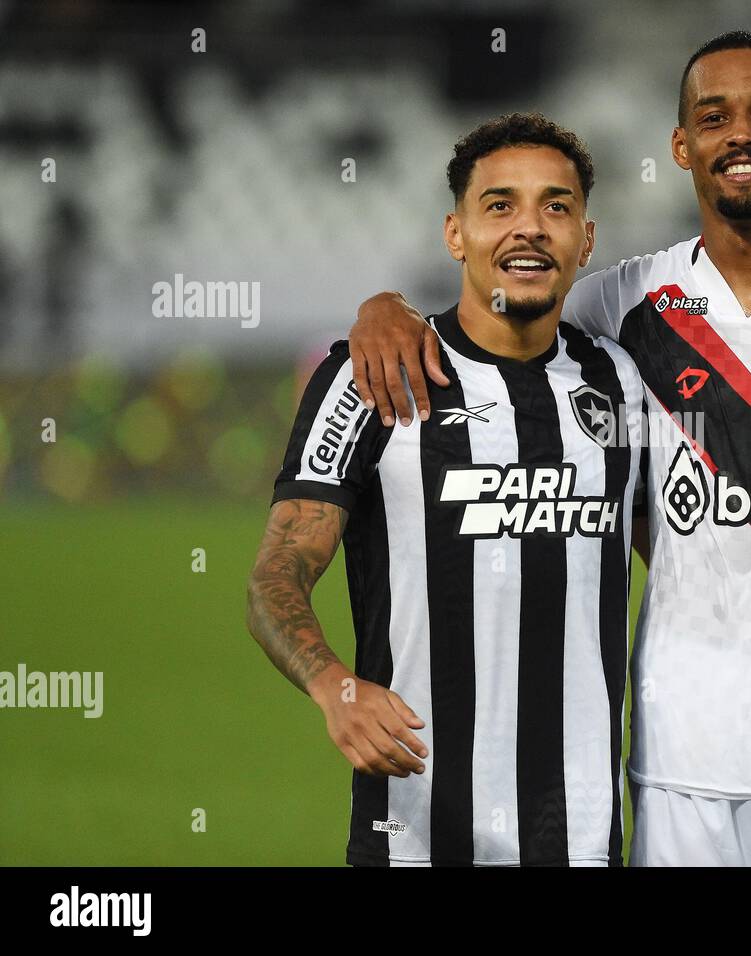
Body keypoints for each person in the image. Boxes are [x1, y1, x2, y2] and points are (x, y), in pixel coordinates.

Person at [348, 32, 751, 867]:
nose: (743, 135)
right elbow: (495, 306)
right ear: (683, 146)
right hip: (679, 761)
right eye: (715, 117)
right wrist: (384, 305)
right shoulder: (624, 303)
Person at [246, 114, 648, 866]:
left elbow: (690, 542)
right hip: (413, 832)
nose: (529, 228)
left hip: (582, 836)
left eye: (556, 207)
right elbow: (278, 571)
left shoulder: (621, 382)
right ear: (455, 233)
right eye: (499, 206)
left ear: (586, 241)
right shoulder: (370, 378)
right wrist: (332, 685)